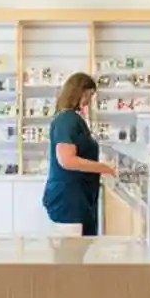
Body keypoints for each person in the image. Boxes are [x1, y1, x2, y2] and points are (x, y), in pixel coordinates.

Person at [42, 72, 115, 236]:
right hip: (69, 199)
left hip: (77, 197)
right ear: (79, 92)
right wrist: (105, 168)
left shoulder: (72, 118)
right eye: (88, 95)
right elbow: (67, 160)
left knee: (78, 253)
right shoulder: (67, 120)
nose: (89, 100)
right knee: (72, 254)